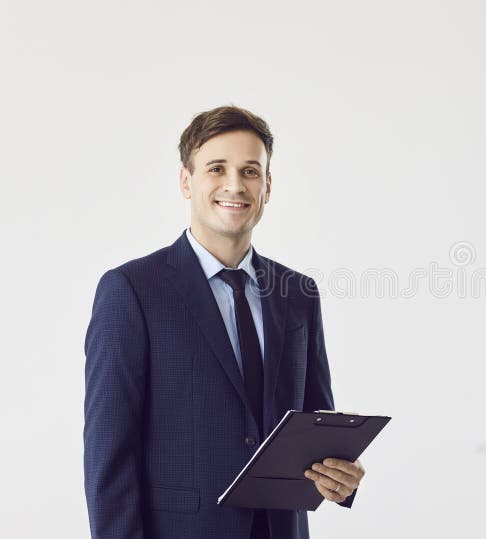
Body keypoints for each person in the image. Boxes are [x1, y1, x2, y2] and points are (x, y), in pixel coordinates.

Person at [83, 105, 365, 539]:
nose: (235, 185)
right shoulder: (132, 291)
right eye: (217, 168)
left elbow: (315, 421)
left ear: (267, 186)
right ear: (186, 181)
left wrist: (340, 474)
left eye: (250, 171)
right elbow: (109, 456)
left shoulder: (298, 294)